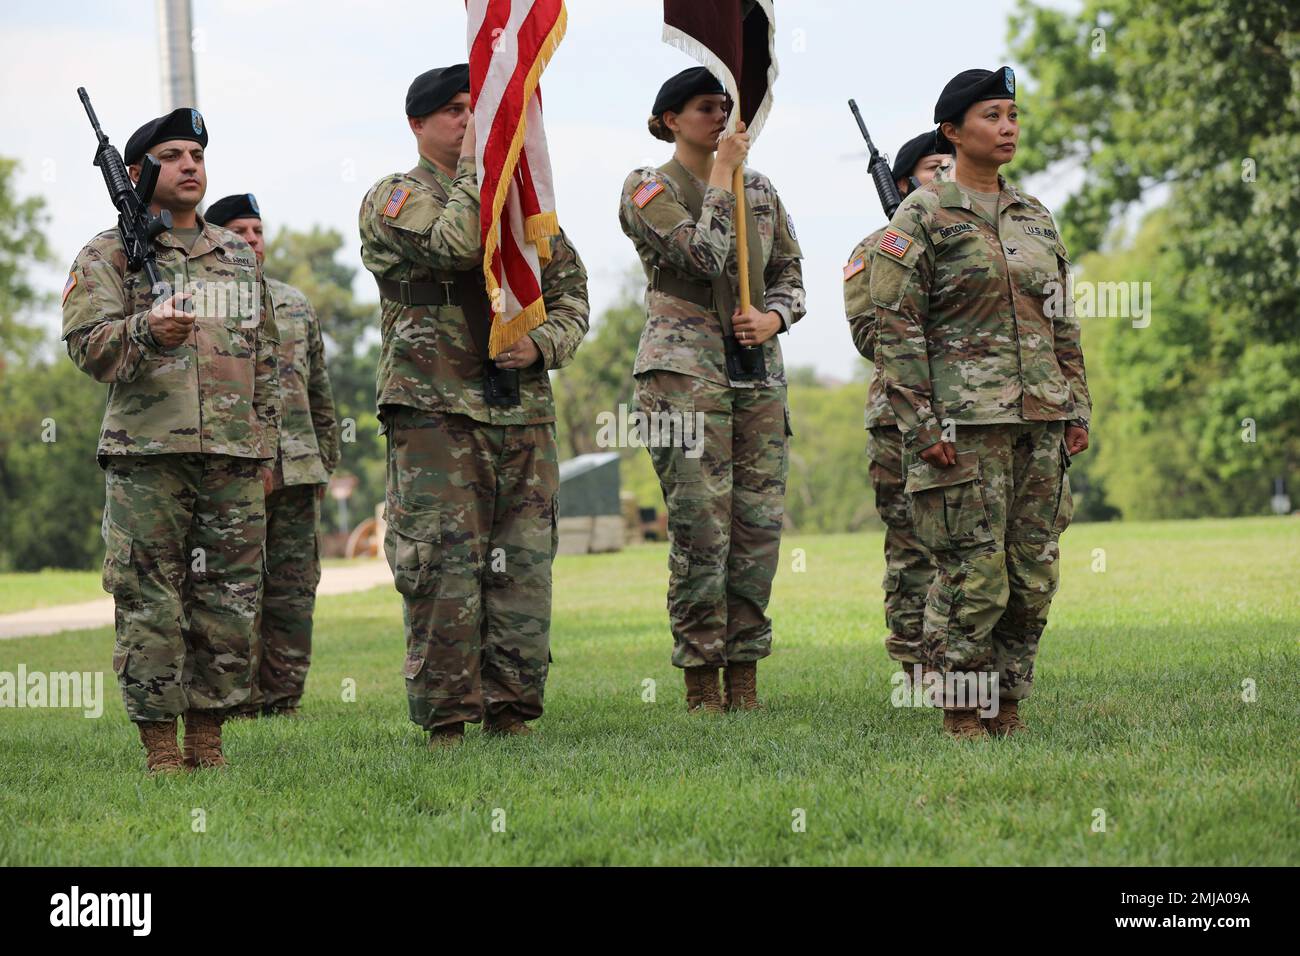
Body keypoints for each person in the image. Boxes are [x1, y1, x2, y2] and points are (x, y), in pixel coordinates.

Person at [359, 64, 590, 748]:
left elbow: (571, 292)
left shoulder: (525, 205)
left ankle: (513, 712)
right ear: (418, 124)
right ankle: (447, 722)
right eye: (457, 112)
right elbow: (457, 243)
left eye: (478, 110)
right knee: (443, 565)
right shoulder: (393, 197)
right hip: (436, 409)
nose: (471, 122)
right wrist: (477, 170)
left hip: (519, 407)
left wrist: (542, 344)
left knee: (521, 563)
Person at [870, 66, 1090, 738]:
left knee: (1031, 574)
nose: (1007, 128)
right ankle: (962, 713)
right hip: (962, 428)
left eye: (1013, 116)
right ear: (952, 129)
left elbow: (1061, 319)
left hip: (1041, 420)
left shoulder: (1034, 216)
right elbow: (895, 323)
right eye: (992, 115)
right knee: (972, 574)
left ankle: (1009, 704)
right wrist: (922, 422)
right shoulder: (923, 215)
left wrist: (1076, 403)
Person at [61, 108, 280, 772]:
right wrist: (145, 332)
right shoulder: (108, 254)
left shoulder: (235, 253)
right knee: (148, 596)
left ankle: (208, 740)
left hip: (232, 456)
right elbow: (84, 346)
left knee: (229, 601)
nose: (190, 165)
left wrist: (265, 443)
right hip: (147, 454)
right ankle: (160, 747)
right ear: (137, 173)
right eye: (173, 155)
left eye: (197, 154)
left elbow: (264, 357)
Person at [618, 67, 805, 714]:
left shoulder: (762, 190)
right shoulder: (648, 188)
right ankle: (702, 680)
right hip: (683, 373)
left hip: (756, 372)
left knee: (756, 531)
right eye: (705, 108)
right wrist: (723, 176)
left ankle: (745, 677)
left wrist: (775, 316)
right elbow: (704, 257)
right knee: (702, 529)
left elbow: (790, 273)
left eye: (727, 108)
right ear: (669, 118)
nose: (721, 119)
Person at [207, 192, 339, 717]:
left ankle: (283, 701)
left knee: (294, 587)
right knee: (233, 589)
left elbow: (320, 392)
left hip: (298, 471)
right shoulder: (206, 302)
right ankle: (233, 700)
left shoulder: (294, 303)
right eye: (240, 230)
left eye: (258, 231)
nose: (253, 240)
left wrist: (324, 460)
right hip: (235, 470)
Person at [843, 131, 953, 680]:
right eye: (936, 168)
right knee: (911, 543)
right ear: (906, 182)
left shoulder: (975, 241)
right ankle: (914, 665)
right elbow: (870, 335)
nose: (947, 176)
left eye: (951, 166)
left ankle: (963, 657)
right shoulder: (876, 249)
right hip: (899, 420)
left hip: (970, 413)